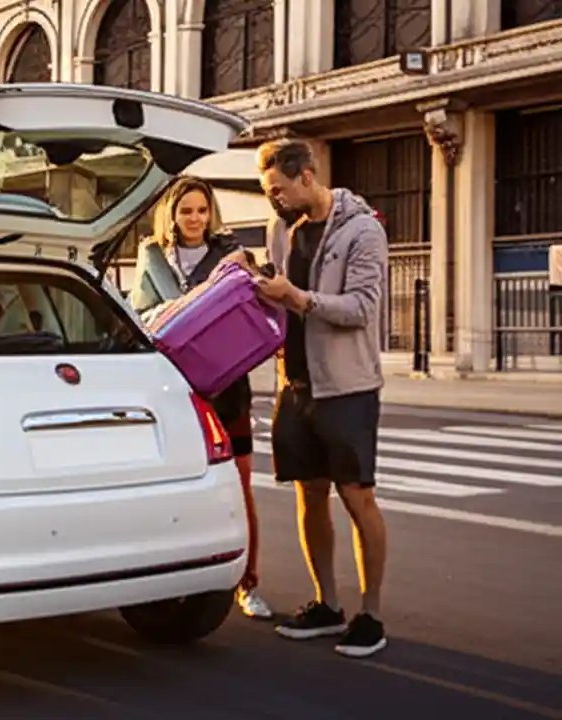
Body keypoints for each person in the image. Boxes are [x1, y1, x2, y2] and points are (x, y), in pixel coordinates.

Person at [254, 138, 390, 658]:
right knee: (309, 494)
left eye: (278, 189)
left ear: (306, 177)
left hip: (346, 386)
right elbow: (280, 294)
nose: (274, 199)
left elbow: (361, 308)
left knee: (357, 498)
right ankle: (327, 604)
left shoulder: (363, 230)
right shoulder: (281, 229)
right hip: (294, 383)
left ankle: (370, 614)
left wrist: (297, 298)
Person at [129, 175, 273, 621]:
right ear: (171, 215)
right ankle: (174, 578)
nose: (194, 219)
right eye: (186, 210)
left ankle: (248, 583)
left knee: (240, 487)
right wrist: (181, 309)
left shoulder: (229, 253)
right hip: (175, 390)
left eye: (202, 210)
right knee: (174, 490)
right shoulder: (153, 255)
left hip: (228, 385)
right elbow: (139, 312)